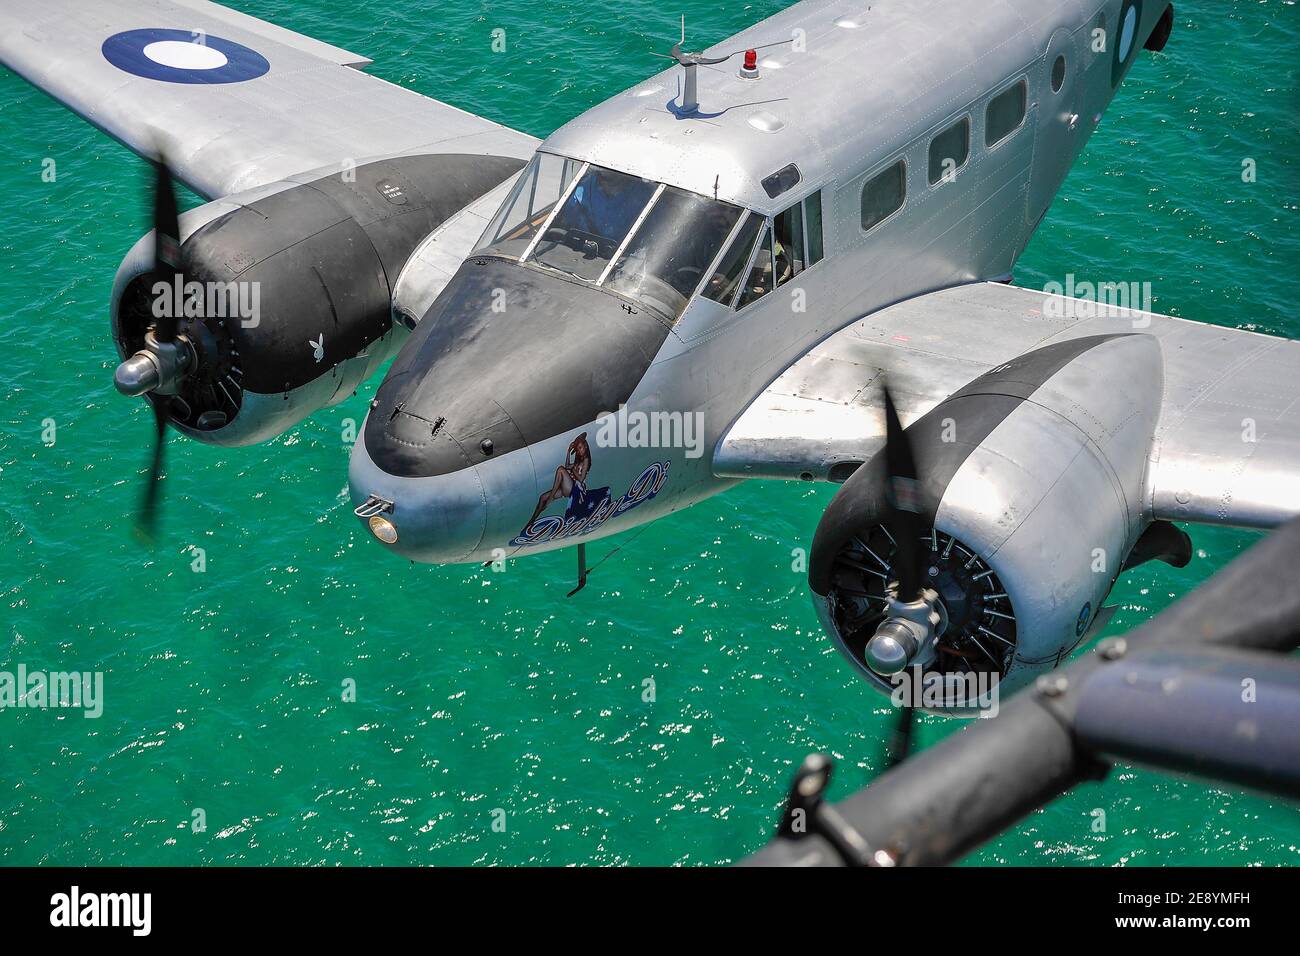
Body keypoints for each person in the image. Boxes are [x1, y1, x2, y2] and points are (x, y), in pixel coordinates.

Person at [522, 433, 610, 533]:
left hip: (577, 489)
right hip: (570, 486)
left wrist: (573, 470)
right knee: (542, 497)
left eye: (580, 448)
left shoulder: (586, 460)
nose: (580, 451)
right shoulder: (579, 460)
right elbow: (567, 465)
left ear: (585, 446)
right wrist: (568, 452)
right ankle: (532, 520)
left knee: (560, 470)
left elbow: (581, 479)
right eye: (578, 449)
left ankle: (551, 498)